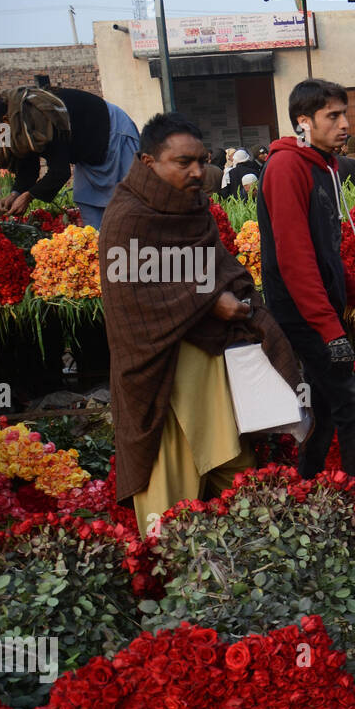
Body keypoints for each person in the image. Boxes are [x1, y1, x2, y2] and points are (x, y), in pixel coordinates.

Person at [99, 112, 301, 534]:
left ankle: (259, 547)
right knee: (167, 482)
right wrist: (210, 303)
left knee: (233, 460)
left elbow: (216, 267)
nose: (196, 172)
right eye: (183, 162)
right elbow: (131, 298)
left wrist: (224, 297)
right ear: (147, 162)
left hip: (208, 366)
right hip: (161, 374)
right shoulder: (127, 217)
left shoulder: (193, 209)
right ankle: (169, 566)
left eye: (201, 160)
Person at [257, 77, 355, 560]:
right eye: (333, 116)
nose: (345, 124)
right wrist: (328, 329)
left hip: (320, 312)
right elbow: (294, 258)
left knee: (327, 411)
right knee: (352, 407)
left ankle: (302, 504)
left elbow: (327, 256)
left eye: (344, 114)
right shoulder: (287, 167)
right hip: (300, 315)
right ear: (303, 123)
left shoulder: (322, 167)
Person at [0, 86, 139, 227]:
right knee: (88, 202)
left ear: (5, 120)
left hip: (112, 134)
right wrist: (15, 194)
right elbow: (28, 167)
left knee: (129, 202)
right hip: (86, 151)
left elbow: (60, 171)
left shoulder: (42, 120)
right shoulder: (20, 128)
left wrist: (29, 196)